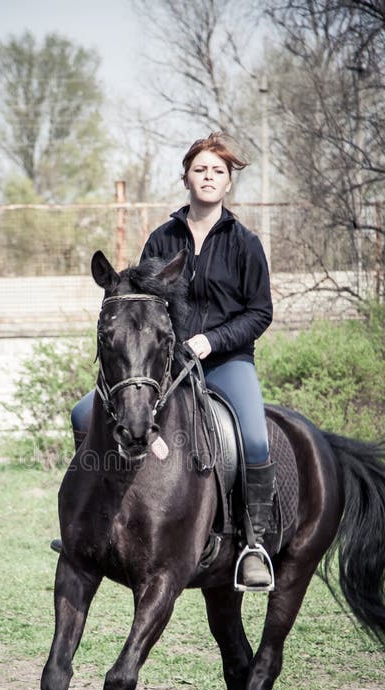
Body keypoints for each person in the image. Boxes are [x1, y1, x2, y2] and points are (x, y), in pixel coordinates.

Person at [67, 132, 276, 590]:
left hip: (226, 362)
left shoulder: (245, 244)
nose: (208, 177)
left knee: (255, 440)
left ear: (228, 182)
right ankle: (90, 519)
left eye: (217, 171)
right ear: (186, 178)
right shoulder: (161, 238)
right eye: (200, 169)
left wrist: (212, 340)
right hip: (164, 365)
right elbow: (141, 305)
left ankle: (252, 544)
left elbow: (260, 312)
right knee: (83, 413)